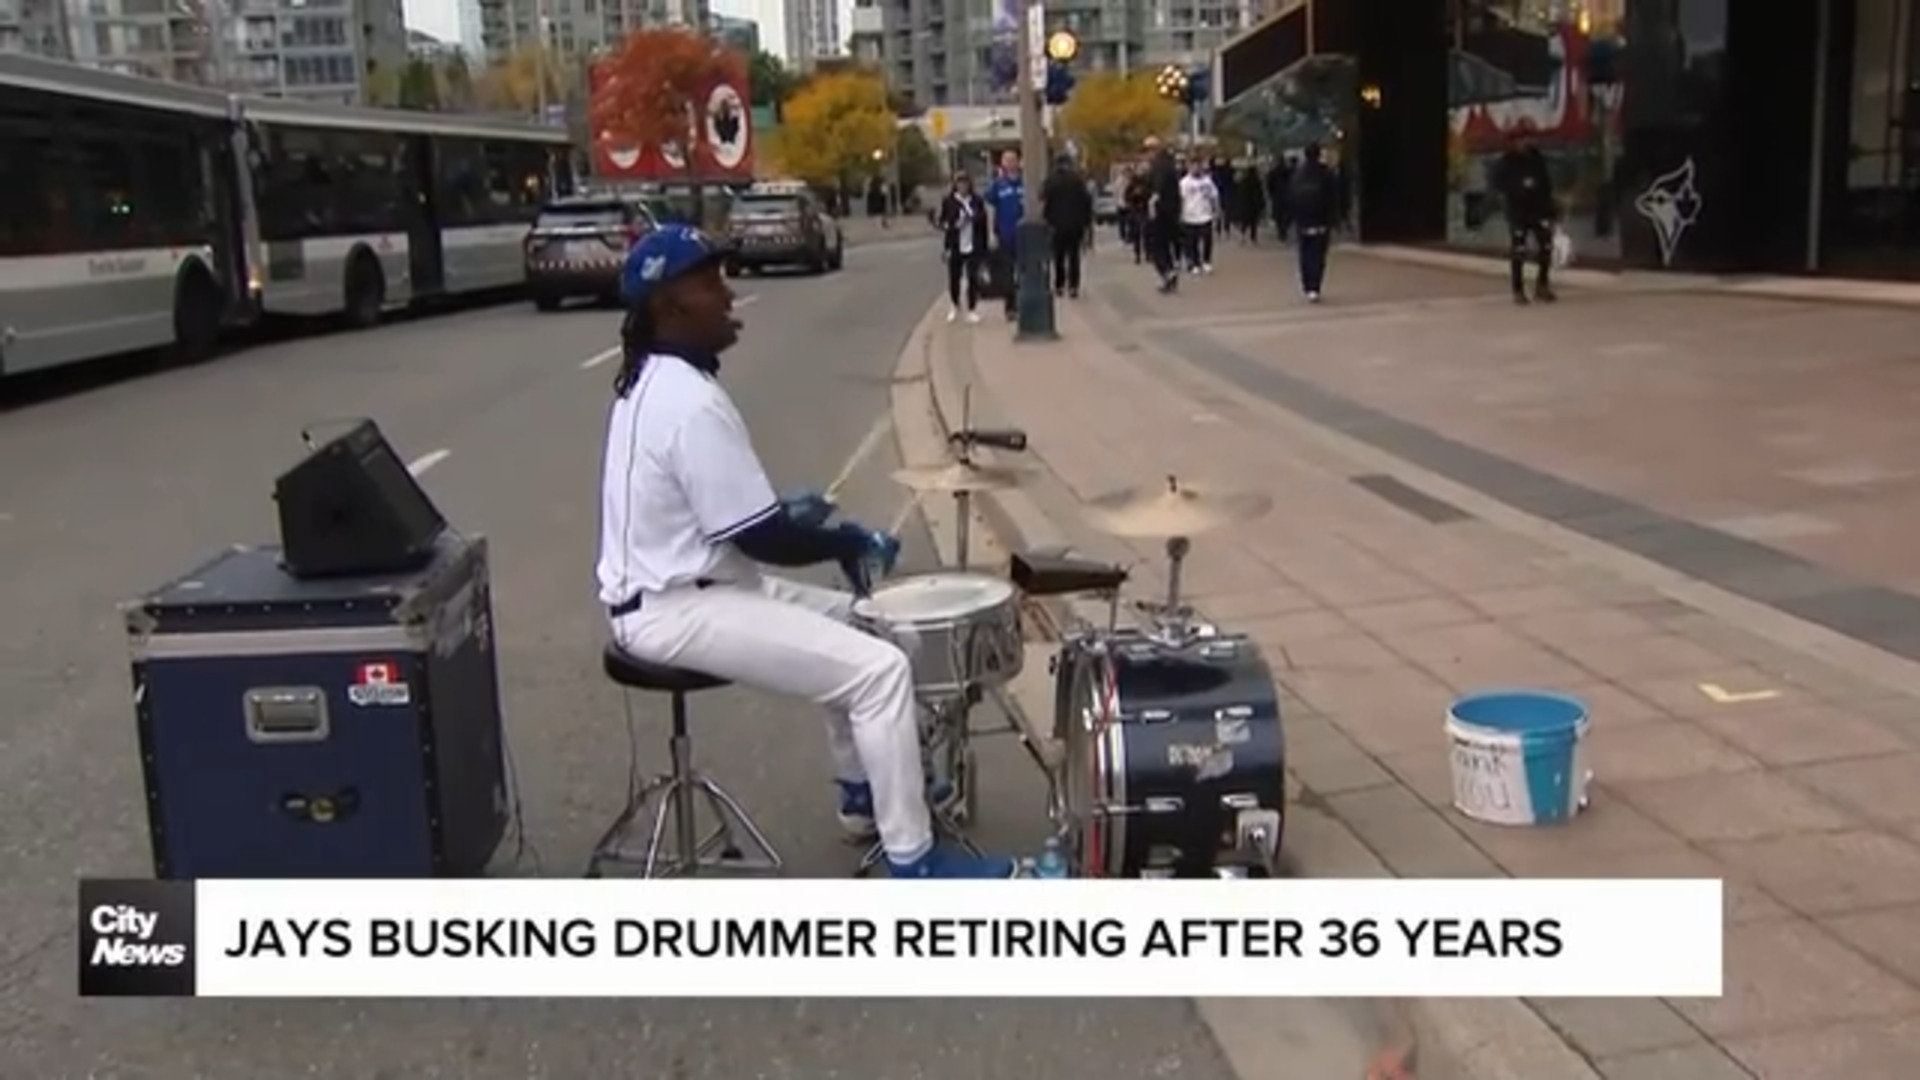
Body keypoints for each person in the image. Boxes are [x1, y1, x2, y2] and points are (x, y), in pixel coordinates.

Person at [598, 224, 1016, 880]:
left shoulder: (654, 380)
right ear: (669, 306)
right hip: (673, 611)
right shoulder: (687, 402)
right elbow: (760, 537)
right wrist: (843, 539)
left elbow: (710, 513)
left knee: (857, 622)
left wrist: (789, 513)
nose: (729, 294)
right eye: (710, 284)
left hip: (692, 584)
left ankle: (863, 794)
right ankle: (916, 865)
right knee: (879, 671)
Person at [1495, 135, 1557, 304]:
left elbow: (1546, 187)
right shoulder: (1507, 161)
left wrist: (1551, 213)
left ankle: (1542, 285)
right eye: (1521, 140)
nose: (1525, 143)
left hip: (1538, 210)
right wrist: (1519, 187)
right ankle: (1518, 289)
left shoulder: (1537, 159)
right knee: (1519, 249)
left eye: (1528, 139)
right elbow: (1499, 184)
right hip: (1518, 211)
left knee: (1546, 246)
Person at [1287, 143, 1338, 302]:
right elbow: (1333, 197)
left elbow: (1291, 197)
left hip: (1303, 221)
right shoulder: (1326, 173)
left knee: (1305, 253)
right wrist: (1333, 218)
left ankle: (1308, 285)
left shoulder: (1298, 174)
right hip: (1321, 220)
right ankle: (1315, 286)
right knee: (1318, 255)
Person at [937, 173, 988, 323]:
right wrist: (953, 225)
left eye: (965, 183)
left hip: (973, 242)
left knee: (972, 277)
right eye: (959, 183)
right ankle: (955, 304)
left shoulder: (977, 201)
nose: (962, 186)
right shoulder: (949, 201)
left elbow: (983, 221)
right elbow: (944, 222)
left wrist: (973, 218)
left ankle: (972, 308)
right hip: (955, 243)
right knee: (954, 277)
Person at [1041, 153, 1093, 298]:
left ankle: (1059, 284)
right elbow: (1086, 202)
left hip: (1056, 224)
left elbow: (1043, 198)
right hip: (1075, 224)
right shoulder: (1078, 180)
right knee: (1074, 256)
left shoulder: (1051, 180)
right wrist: (1087, 223)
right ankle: (1073, 286)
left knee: (1058, 256)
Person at [985, 150, 1025, 318]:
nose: (1010, 164)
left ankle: (1025, 304)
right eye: (1007, 161)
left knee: (1024, 271)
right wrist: (991, 234)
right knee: (1007, 273)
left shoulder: (1025, 183)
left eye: (1013, 160)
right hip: (1005, 234)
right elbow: (990, 208)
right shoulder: (998, 185)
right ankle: (1010, 307)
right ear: (1002, 163)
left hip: (1024, 235)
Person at [1143, 137, 1182, 293]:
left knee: (1156, 245)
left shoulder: (1159, 165)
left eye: (1147, 150)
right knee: (1165, 243)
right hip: (1171, 210)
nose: (1147, 154)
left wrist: (1153, 201)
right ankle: (1170, 272)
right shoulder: (1170, 163)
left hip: (1160, 211)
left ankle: (1167, 272)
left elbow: (1158, 187)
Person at [1178, 159, 1219, 274]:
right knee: (1192, 241)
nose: (1196, 168)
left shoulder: (1207, 181)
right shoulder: (1184, 182)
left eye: (1198, 166)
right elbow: (1181, 199)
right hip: (1189, 216)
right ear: (1189, 167)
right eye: (1193, 166)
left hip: (1205, 215)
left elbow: (1214, 196)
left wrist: (1216, 210)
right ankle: (1194, 263)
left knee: (1207, 240)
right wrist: (1180, 214)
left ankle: (1206, 261)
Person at [1121, 166, 1151, 264]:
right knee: (1136, 235)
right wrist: (1133, 196)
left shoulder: (1146, 183)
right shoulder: (1132, 185)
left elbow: (1149, 194)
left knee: (1146, 233)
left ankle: (1147, 253)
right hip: (1134, 211)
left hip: (1144, 211)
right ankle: (1137, 254)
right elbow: (1126, 197)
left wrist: (1144, 195)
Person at [1235, 164, 1266, 243]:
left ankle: (1243, 236)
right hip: (1254, 205)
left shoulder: (1243, 181)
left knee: (1244, 221)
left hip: (1245, 204)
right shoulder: (1257, 181)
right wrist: (1261, 204)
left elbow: (1240, 193)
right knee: (1254, 222)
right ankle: (1253, 237)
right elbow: (1260, 194)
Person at [1265, 156, 1293, 242]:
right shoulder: (1288, 172)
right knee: (1286, 214)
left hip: (1277, 196)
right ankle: (1283, 230)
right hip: (1287, 195)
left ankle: (1281, 231)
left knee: (1278, 215)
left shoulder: (1273, 172)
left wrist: (1271, 194)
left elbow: (1269, 184)